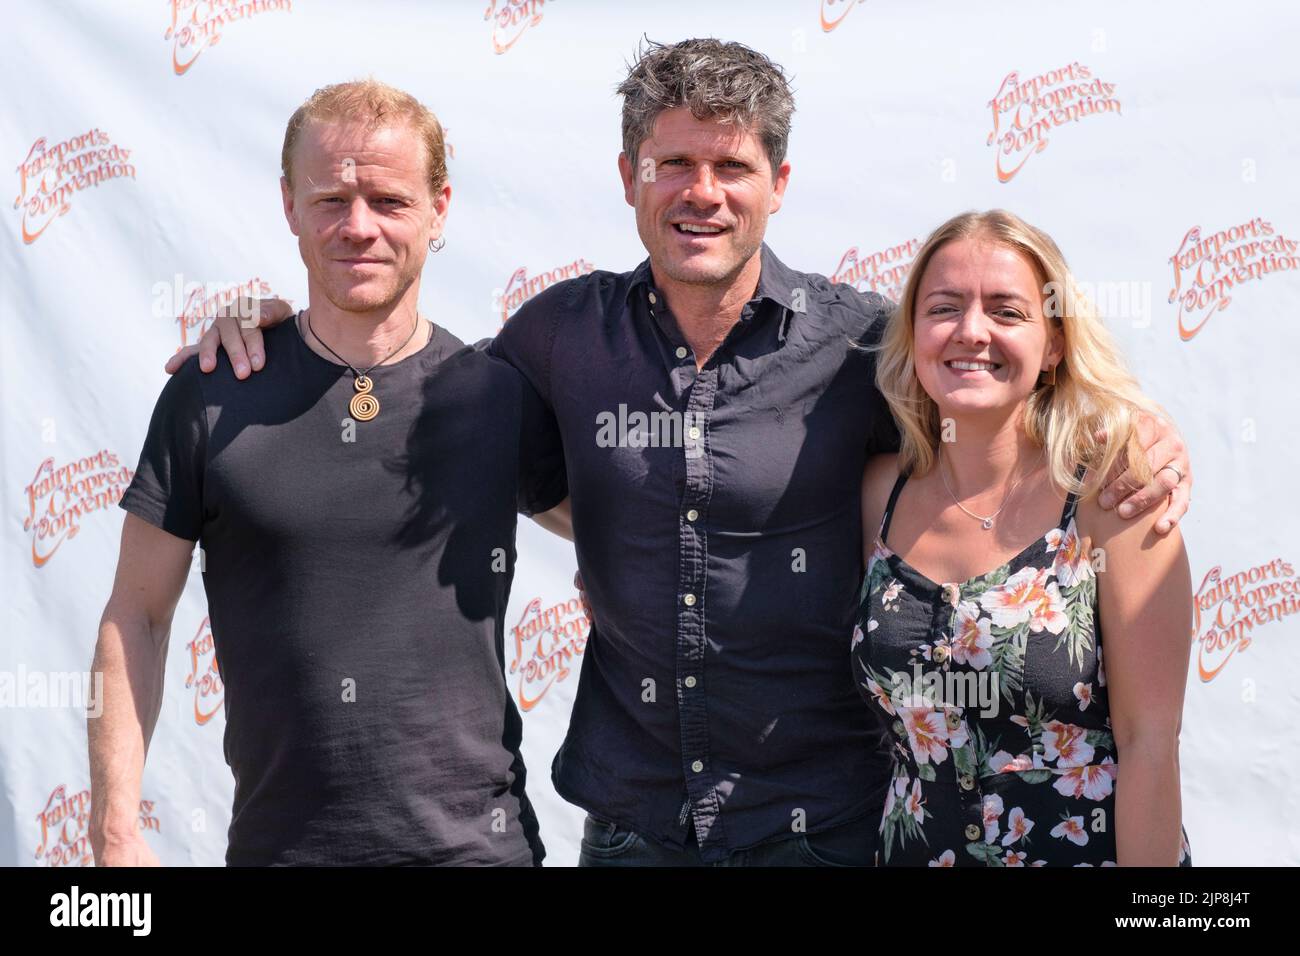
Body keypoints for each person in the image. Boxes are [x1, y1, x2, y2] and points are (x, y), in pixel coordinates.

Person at [171, 40, 1193, 867]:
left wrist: (1131, 422)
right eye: (673, 163)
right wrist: (271, 330)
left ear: (778, 182)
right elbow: (396, 379)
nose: (700, 193)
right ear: (629, 177)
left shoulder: (863, 347)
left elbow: (992, 374)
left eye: (731, 166)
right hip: (633, 825)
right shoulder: (559, 337)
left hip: (823, 825)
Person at [89, 80, 562, 866]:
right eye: (332, 199)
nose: (359, 227)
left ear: (440, 209)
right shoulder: (212, 394)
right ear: (288, 205)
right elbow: (134, 615)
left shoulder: (498, 396)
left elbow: (633, 534)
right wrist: (115, 833)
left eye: (389, 200)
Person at [856, 209, 1193, 866]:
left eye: (1007, 312)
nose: (972, 331)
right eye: (944, 308)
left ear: (1055, 345)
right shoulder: (875, 497)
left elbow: (1151, 742)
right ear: (915, 333)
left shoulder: (1114, 495)